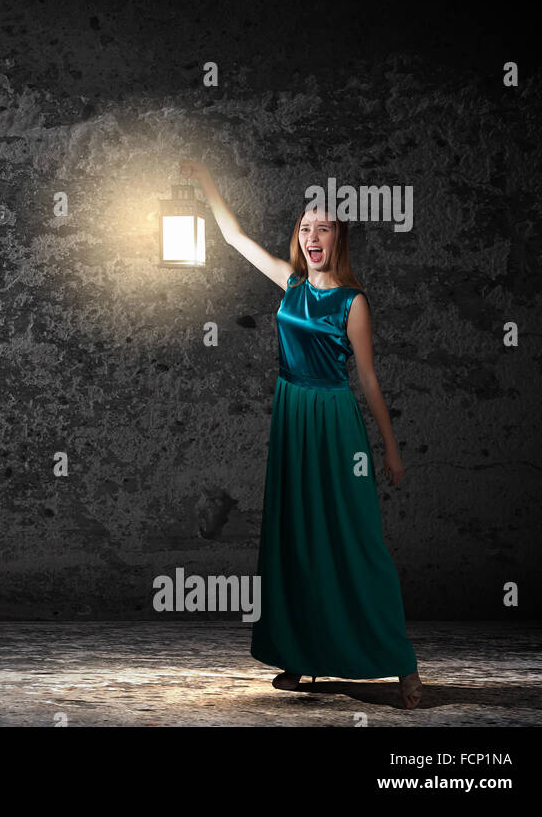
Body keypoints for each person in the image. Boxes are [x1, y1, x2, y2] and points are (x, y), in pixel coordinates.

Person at [179, 159, 423, 710]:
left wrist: (390, 447)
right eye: (305, 227)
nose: (313, 237)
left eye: (325, 228)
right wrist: (205, 179)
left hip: (334, 423)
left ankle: (402, 668)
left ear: (339, 239)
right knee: (296, 539)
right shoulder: (288, 284)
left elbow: (367, 377)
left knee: (354, 541)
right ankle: (303, 656)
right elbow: (235, 237)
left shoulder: (352, 302)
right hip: (291, 416)